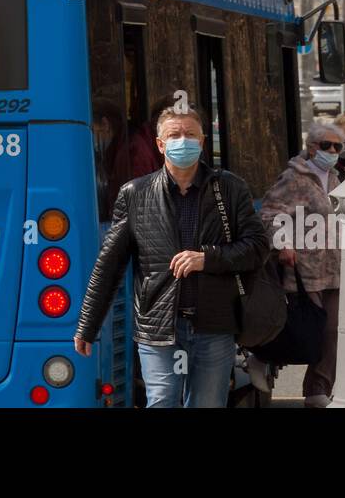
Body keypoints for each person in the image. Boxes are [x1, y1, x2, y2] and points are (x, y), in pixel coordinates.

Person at [74, 104, 270, 408]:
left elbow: (257, 247)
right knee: (162, 401)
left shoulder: (229, 188)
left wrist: (208, 258)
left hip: (214, 324)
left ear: (203, 142)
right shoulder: (135, 194)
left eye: (190, 134)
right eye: (174, 135)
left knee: (206, 404)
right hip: (158, 325)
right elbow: (108, 266)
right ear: (160, 144)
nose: (183, 141)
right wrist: (88, 325)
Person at [258, 120, 345, 407]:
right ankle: (262, 357)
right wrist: (283, 243)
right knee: (309, 330)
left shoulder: (334, 178)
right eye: (326, 145)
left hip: (335, 269)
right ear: (311, 148)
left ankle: (317, 388)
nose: (332, 150)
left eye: (337, 146)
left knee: (334, 332)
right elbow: (269, 214)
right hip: (305, 271)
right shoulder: (293, 179)